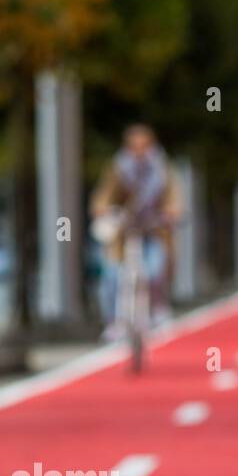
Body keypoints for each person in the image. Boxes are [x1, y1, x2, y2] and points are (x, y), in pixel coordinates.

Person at [90, 125, 182, 337]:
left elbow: (173, 197)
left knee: (155, 270)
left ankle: (158, 309)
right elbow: (103, 196)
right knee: (112, 275)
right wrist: (103, 209)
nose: (139, 151)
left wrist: (171, 212)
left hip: (154, 230)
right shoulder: (118, 168)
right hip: (124, 234)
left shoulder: (162, 170)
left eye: (144, 146)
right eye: (134, 146)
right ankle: (114, 321)